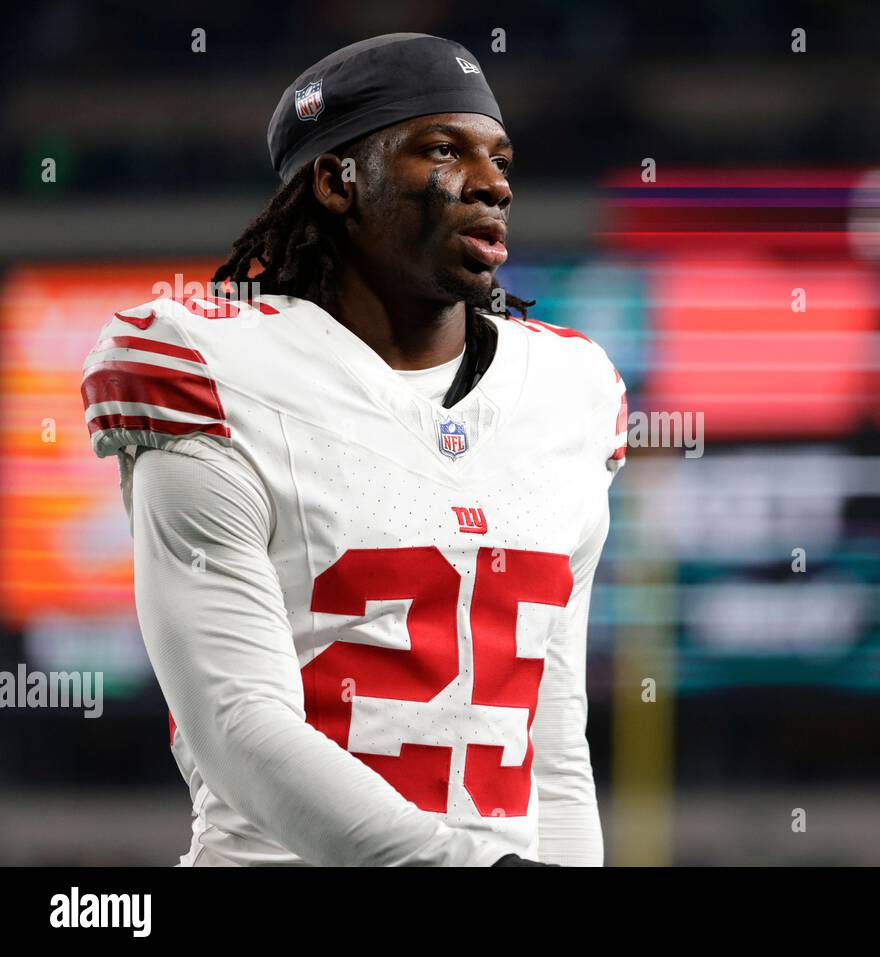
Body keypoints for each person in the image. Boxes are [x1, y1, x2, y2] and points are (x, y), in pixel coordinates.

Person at [79, 33, 626, 866]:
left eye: (501, 156)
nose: (494, 183)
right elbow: (237, 722)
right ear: (339, 183)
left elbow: (550, 738)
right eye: (443, 149)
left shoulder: (568, 390)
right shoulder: (213, 373)